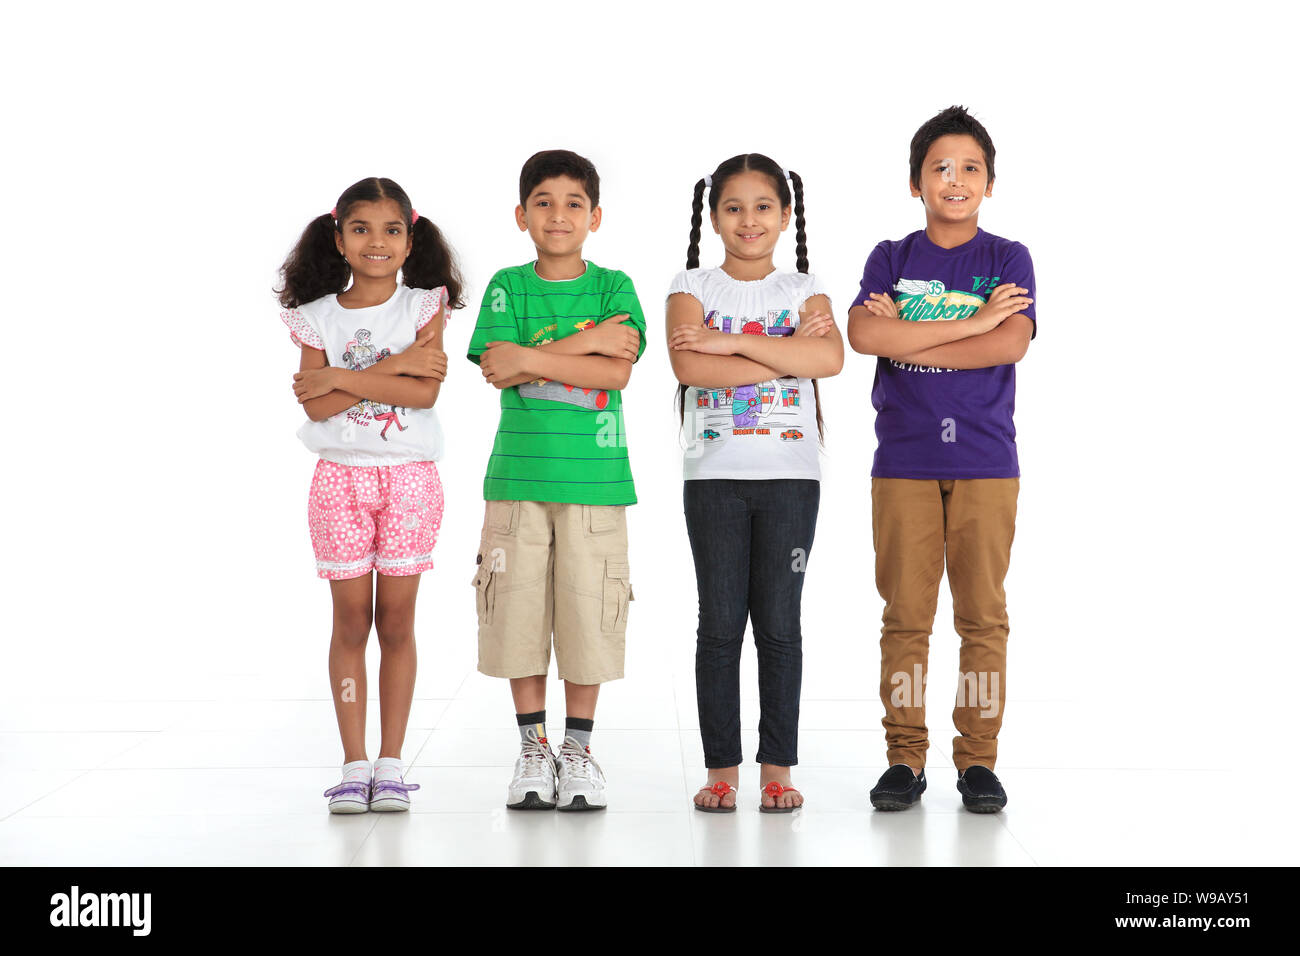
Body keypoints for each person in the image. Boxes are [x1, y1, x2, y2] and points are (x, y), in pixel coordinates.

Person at [846, 106, 1037, 813]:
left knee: (983, 616)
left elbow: (1008, 345)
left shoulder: (1007, 257)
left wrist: (914, 336)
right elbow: (865, 336)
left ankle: (977, 761)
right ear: (914, 182)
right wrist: (977, 318)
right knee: (905, 616)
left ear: (989, 182)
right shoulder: (891, 258)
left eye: (970, 169)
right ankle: (905, 757)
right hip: (903, 460)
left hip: (988, 461)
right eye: (940, 168)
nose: (954, 180)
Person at [277, 177, 465, 813]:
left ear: (410, 240)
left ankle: (391, 762)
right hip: (339, 480)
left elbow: (426, 393)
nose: (376, 242)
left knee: (397, 621)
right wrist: (386, 371)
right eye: (361, 229)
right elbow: (313, 399)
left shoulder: (422, 307)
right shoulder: (317, 316)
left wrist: (340, 375)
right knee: (351, 621)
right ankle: (354, 763)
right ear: (339, 238)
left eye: (391, 230)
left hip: (410, 478)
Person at [466, 149, 646, 811]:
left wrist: (533, 357)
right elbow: (496, 366)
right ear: (521, 215)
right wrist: (587, 343)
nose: (558, 214)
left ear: (595, 216)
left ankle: (579, 750)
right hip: (517, 479)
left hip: (596, 483)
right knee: (517, 614)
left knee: (587, 615)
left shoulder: (614, 288)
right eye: (543, 202)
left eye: (574, 203)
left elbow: (619, 371)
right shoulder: (506, 286)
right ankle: (532, 749)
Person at [666, 153, 843, 813]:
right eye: (733, 207)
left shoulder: (805, 289)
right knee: (719, 625)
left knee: (779, 625)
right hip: (714, 479)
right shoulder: (690, 285)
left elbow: (828, 358)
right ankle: (721, 771)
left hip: (792, 481)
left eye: (763, 206)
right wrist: (779, 352)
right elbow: (690, 367)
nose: (748, 220)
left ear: (785, 214)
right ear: (714, 216)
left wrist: (728, 345)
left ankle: (777, 770)